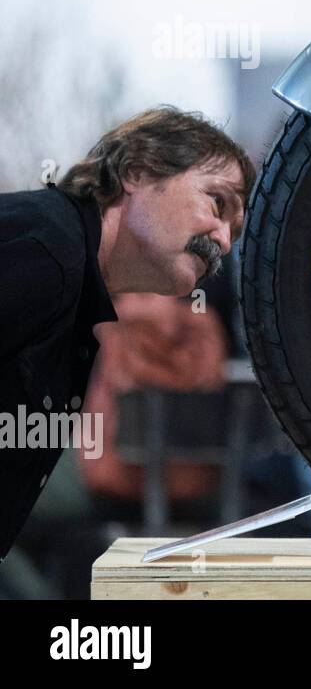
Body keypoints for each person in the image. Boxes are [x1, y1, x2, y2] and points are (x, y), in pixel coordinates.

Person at [0, 106, 254, 561]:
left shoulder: (78, 289)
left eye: (235, 230)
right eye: (217, 203)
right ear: (137, 170)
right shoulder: (47, 250)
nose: (224, 241)